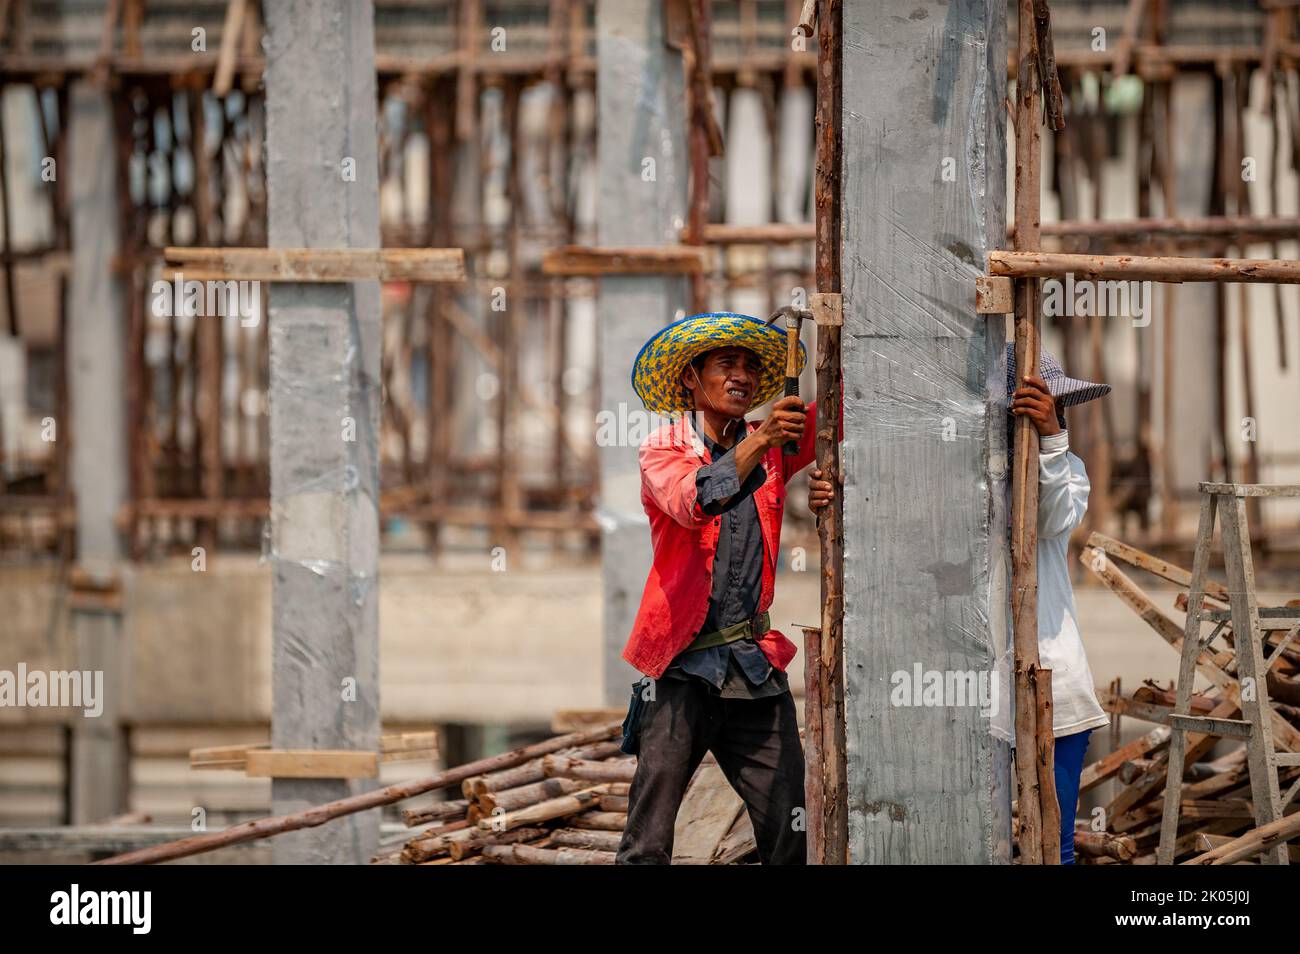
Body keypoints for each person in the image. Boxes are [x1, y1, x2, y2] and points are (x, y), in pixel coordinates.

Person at [807, 344, 1111, 864]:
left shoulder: (1064, 467)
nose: (1051, 418)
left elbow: (1051, 517)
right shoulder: (956, 481)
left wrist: (1051, 439)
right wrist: (836, 494)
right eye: (1036, 410)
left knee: (1053, 844)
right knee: (972, 841)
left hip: (1051, 673)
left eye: (1056, 410)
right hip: (963, 683)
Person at [616, 311, 831, 865]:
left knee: (791, 827)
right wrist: (765, 444)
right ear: (692, 378)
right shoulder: (664, 450)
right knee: (648, 842)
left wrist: (830, 487)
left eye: (751, 368)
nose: (741, 376)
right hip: (682, 665)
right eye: (725, 365)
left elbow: (842, 413)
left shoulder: (775, 440)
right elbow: (694, 502)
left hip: (753, 665)